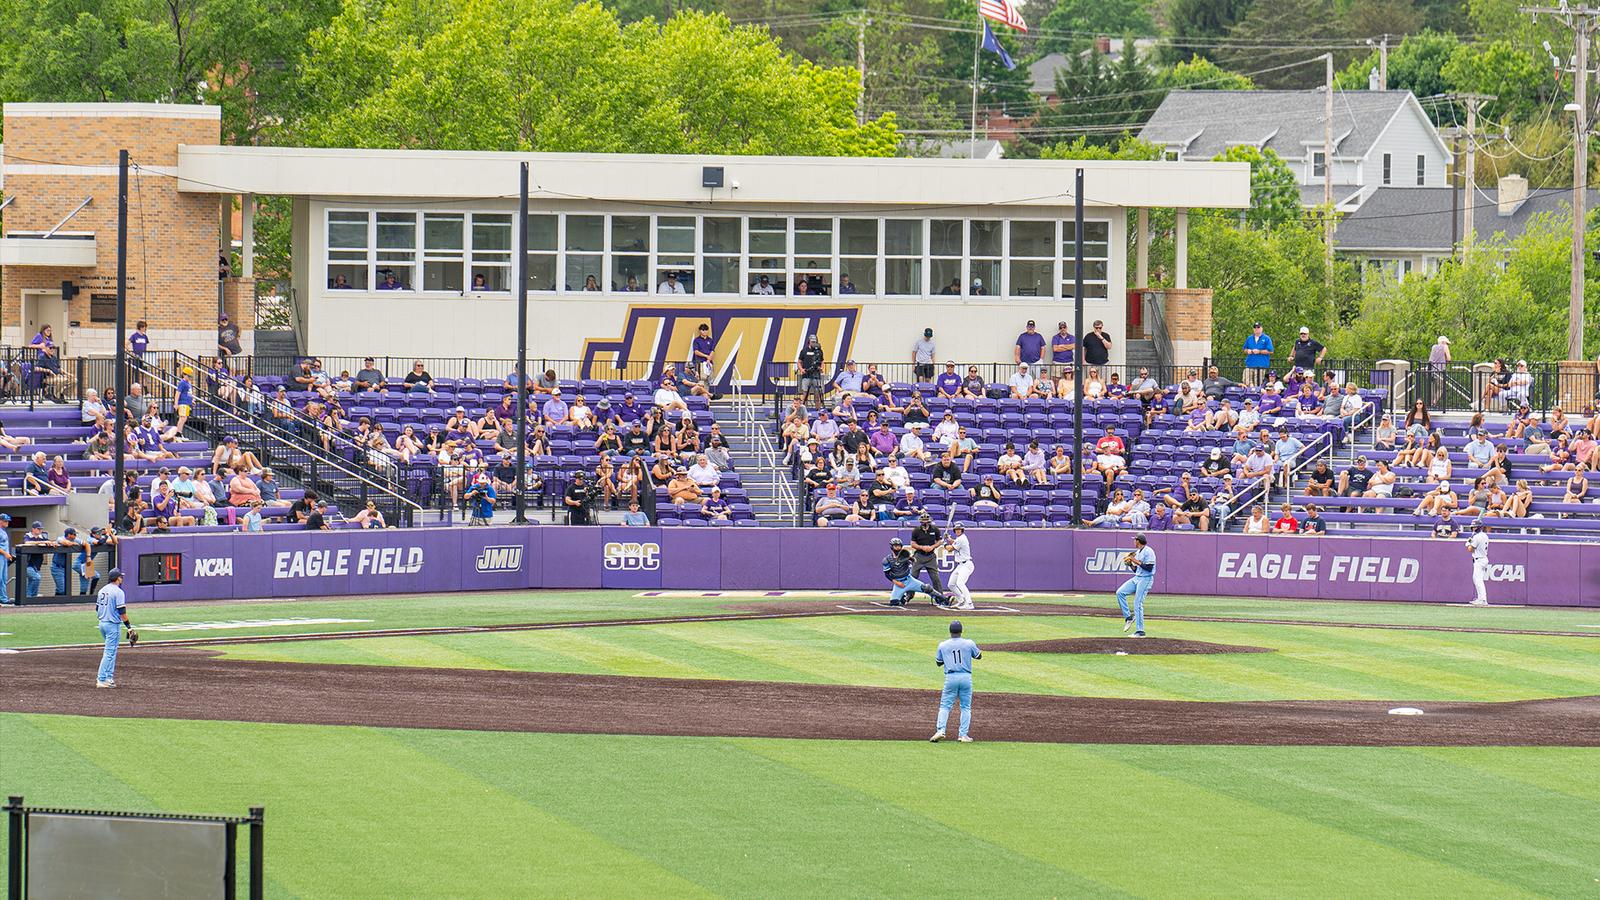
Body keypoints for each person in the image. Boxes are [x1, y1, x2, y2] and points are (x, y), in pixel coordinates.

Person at [930, 619, 980, 743]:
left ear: (950, 631)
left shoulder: (943, 645)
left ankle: (940, 730)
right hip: (966, 677)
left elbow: (938, 662)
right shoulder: (969, 643)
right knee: (965, 707)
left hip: (951, 677)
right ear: (961, 631)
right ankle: (963, 735)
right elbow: (978, 656)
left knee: (945, 706)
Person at [882, 537, 951, 608]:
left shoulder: (905, 555)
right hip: (898, 583)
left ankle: (943, 599)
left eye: (899, 546)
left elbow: (912, 560)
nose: (897, 548)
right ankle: (903, 597)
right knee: (894, 603)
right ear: (892, 547)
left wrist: (911, 559)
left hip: (909, 580)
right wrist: (896, 583)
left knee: (926, 588)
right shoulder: (887, 559)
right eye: (895, 546)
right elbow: (887, 574)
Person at [94, 569, 132, 688]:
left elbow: (97, 609)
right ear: (117, 578)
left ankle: (108, 678)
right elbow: (122, 612)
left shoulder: (102, 590)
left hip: (102, 624)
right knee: (109, 652)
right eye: (121, 577)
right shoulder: (118, 592)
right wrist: (129, 627)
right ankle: (102, 679)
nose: (122, 578)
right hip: (112, 625)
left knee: (112, 651)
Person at [1114, 534, 1156, 637]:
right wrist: (1130, 565)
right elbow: (1137, 570)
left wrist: (1133, 560)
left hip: (1146, 579)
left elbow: (1149, 568)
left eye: (1135, 540)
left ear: (1138, 541)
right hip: (1137, 577)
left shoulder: (1149, 551)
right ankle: (1128, 618)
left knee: (1137, 603)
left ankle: (1140, 631)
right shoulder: (1138, 552)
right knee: (1120, 592)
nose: (1133, 542)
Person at [909, 512, 947, 602]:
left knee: (935, 578)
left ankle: (940, 598)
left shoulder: (935, 529)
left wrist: (932, 547)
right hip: (919, 556)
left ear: (929, 521)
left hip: (931, 556)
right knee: (912, 577)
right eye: (923, 521)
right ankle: (908, 596)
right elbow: (912, 544)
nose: (925, 523)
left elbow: (939, 541)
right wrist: (922, 547)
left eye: (926, 521)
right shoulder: (916, 530)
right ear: (920, 522)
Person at [796, 334, 826, 409]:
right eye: (812, 342)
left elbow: (822, 361)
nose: (813, 343)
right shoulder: (804, 350)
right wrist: (801, 369)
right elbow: (799, 362)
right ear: (809, 341)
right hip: (806, 375)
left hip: (816, 375)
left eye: (815, 342)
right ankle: (804, 410)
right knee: (805, 394)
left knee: (817, 394)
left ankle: (818, 410)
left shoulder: (819, 351)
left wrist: (822, 368)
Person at [1467, 519, 1491, 606]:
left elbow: (1470, 549)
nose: (1473, 528)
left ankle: (1483, 600)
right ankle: (1480, 598)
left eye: (1475, 527)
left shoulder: (1477, 537)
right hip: (1482, 558)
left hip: (1479, 559)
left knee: (1478, 580)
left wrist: (1468, 543)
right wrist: (1471, 541)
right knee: (1477, 579)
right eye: (1473, 527)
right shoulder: (1484, 535)